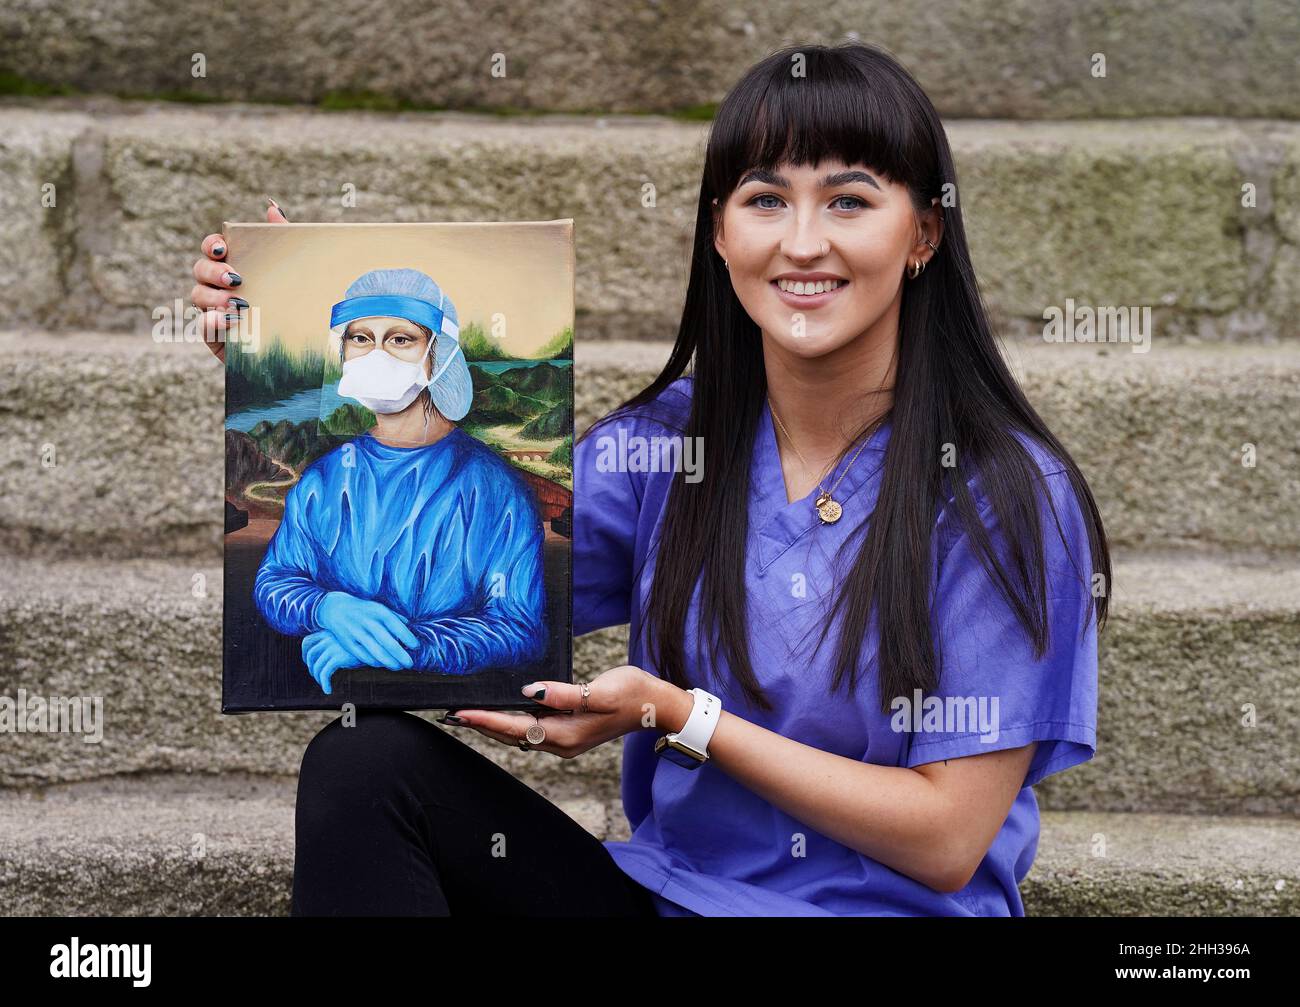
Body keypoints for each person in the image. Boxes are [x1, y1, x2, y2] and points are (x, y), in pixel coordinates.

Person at [190, 41, 1108, 916]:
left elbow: (949, 837)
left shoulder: (1005, 495)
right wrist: (283, 327)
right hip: (668, 901)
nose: (800, 243)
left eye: (849, 202)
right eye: (763, 199)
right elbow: (443, 572)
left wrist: (684, 717)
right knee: (363, 766)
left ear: (924, 234)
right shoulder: (668, 444)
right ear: (718, 232)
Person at [248, 267, 549, 692]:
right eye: (361, 338)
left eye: (400, 339)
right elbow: (277, 579)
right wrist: (324, 607)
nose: (377, 355)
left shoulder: (495, 492)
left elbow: (518, 630)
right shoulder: (323, 481)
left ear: (438, 355)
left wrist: (398, 646)